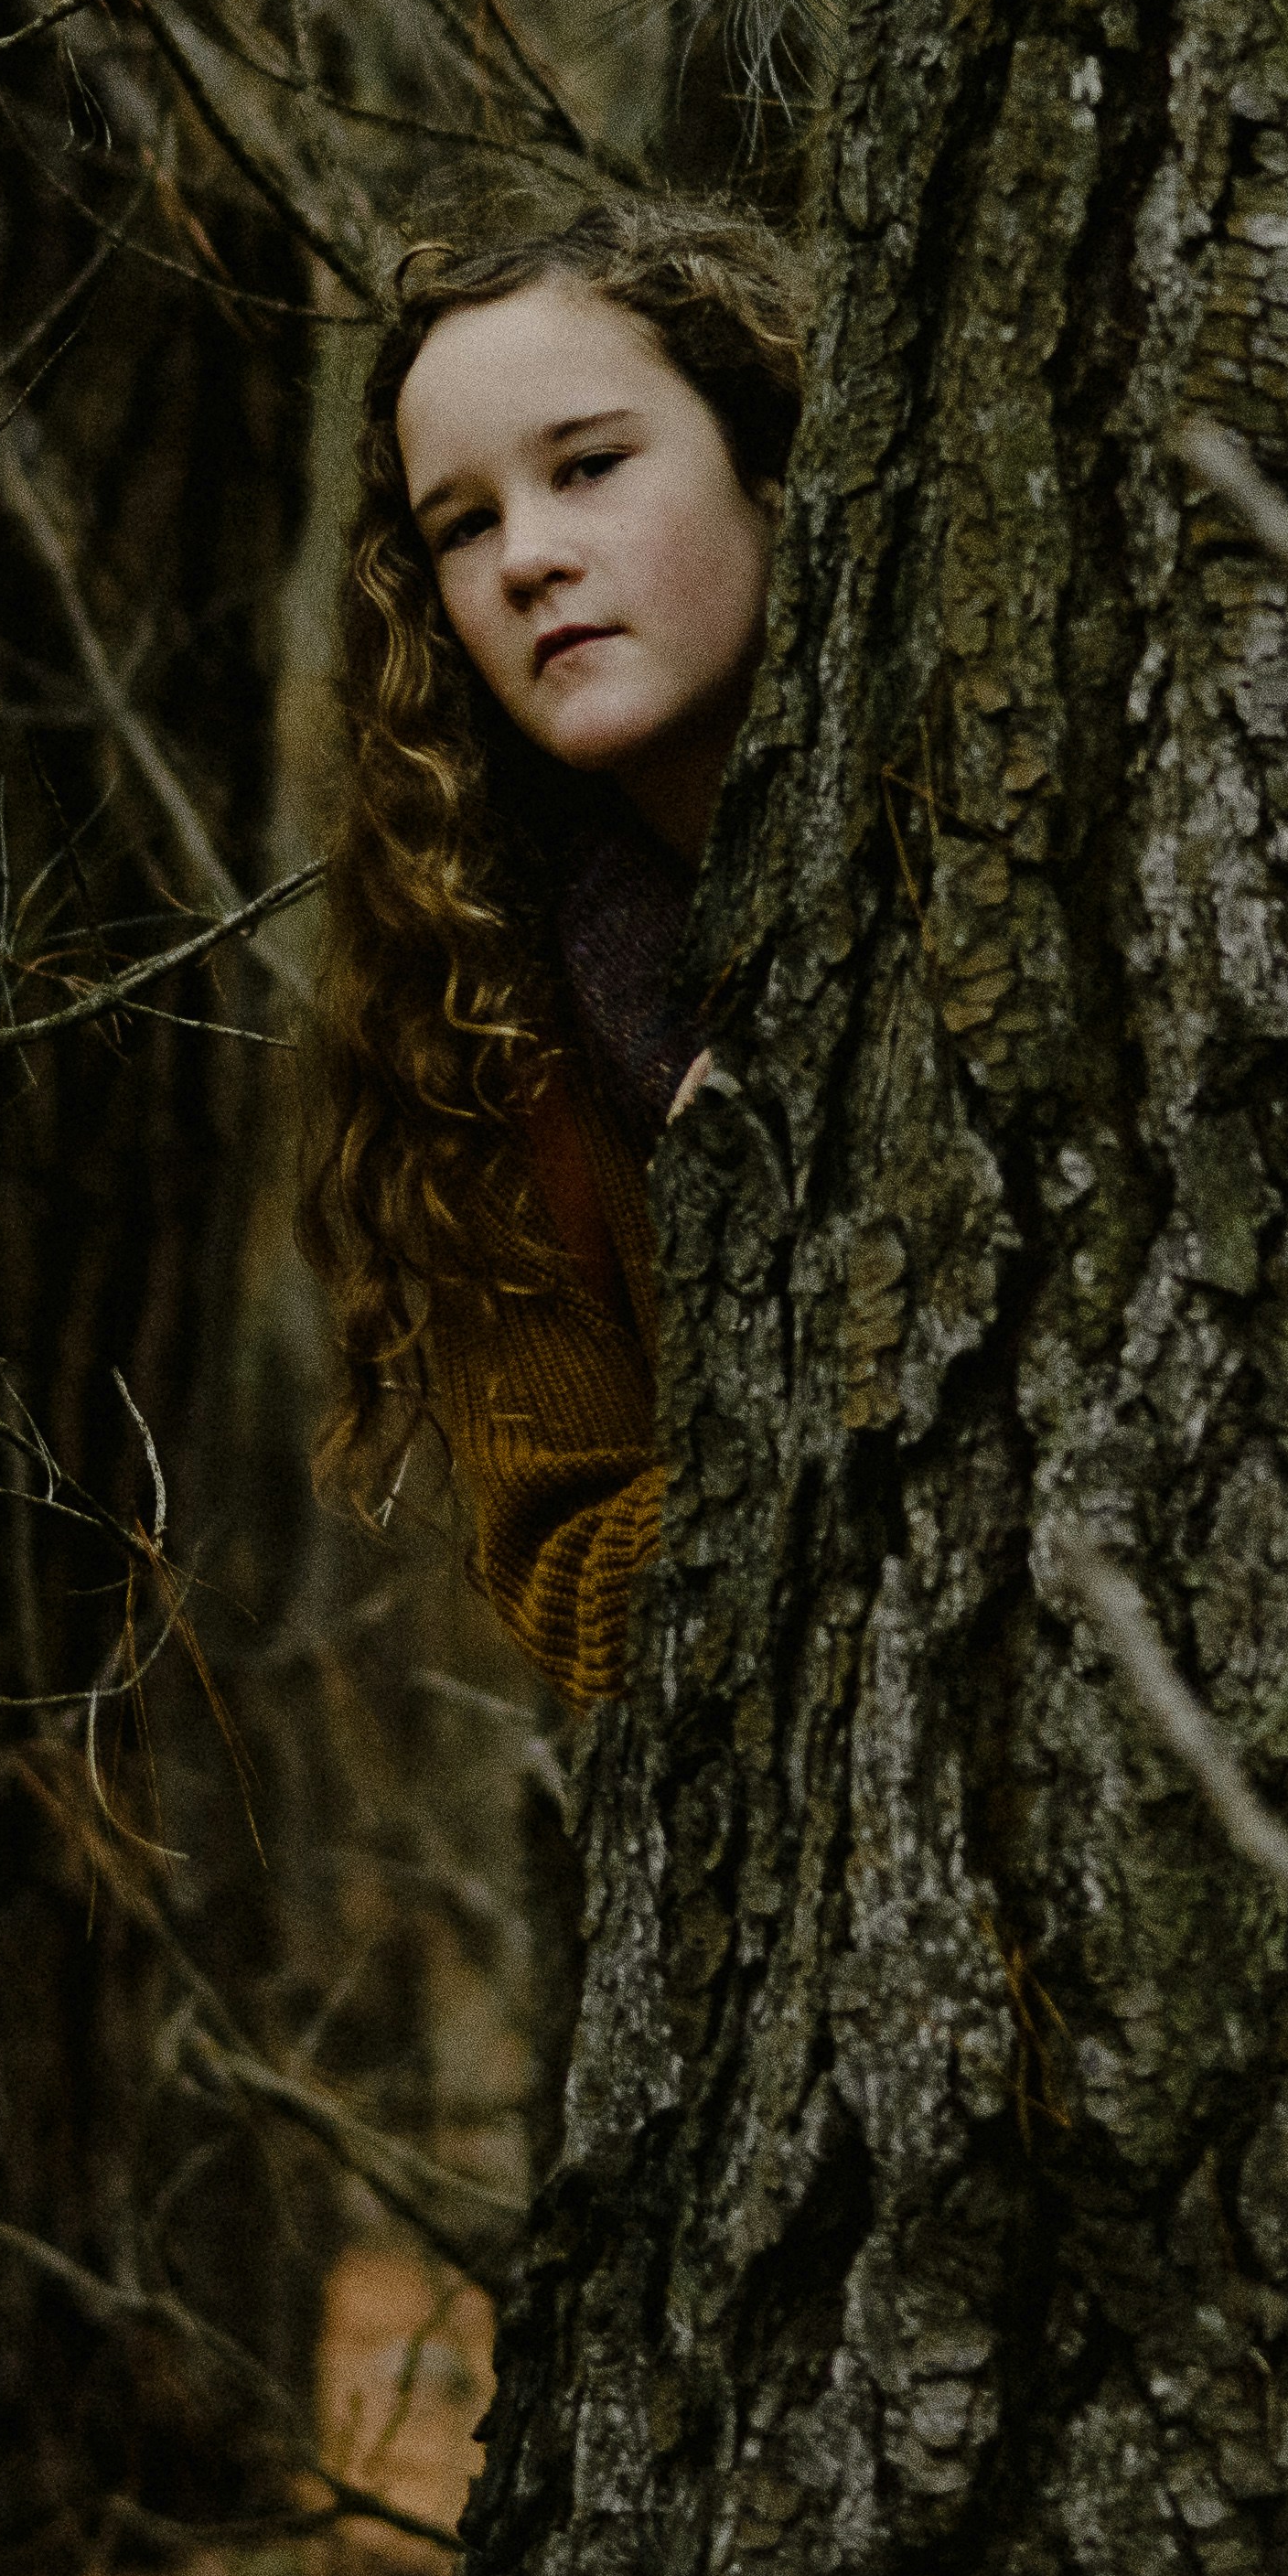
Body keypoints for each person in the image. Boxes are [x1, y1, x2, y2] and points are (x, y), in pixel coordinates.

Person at [297, 196, 803, 1700]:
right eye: (463, 525)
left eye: (589, 468)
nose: (528, 557)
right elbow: (568, 1573)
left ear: (770, 473)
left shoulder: (1002, 838)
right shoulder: (487, 1022)